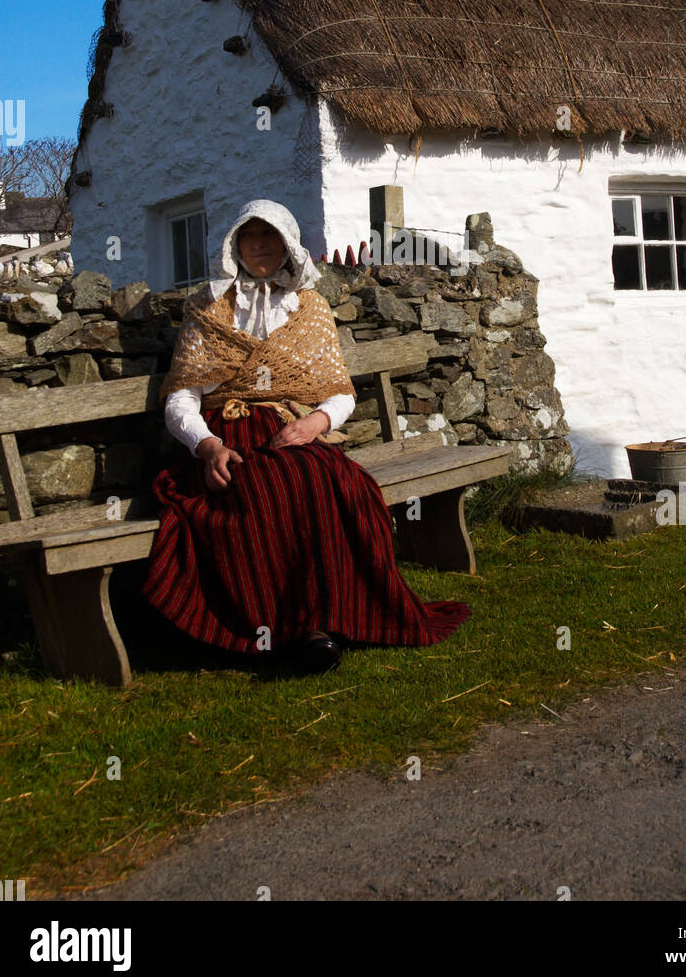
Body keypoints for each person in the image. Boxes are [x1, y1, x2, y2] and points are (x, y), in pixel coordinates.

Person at [142, 199, 470, 674]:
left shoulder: (309, 309)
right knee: (262, 491)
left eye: (269, 236)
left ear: (287, 245)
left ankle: (329, 619)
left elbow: (340, 395)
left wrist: (316, 423)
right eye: (249, 237)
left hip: (291, 429)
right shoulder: (206, 307)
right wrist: (206, 445)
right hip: (229, 433)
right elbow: (180, 400)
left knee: (338, 485)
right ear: (234, 244)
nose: (258, 246)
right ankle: (279, 632)